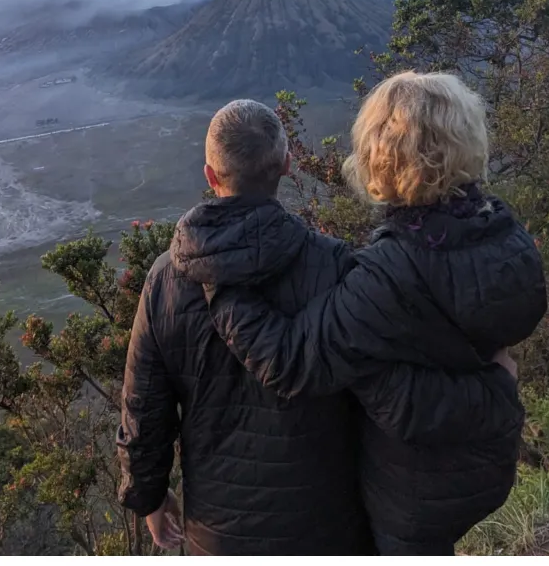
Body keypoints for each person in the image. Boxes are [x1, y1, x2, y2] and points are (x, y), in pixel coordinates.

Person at [117, 98, 523, 555]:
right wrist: (493, 388)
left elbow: (144, 409)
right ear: (287, 165)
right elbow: (388, 392)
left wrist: (148, 497)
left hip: (218, 536)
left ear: (211, 176)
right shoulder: (337, 265)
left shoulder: (166, 280)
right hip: (330, 525)